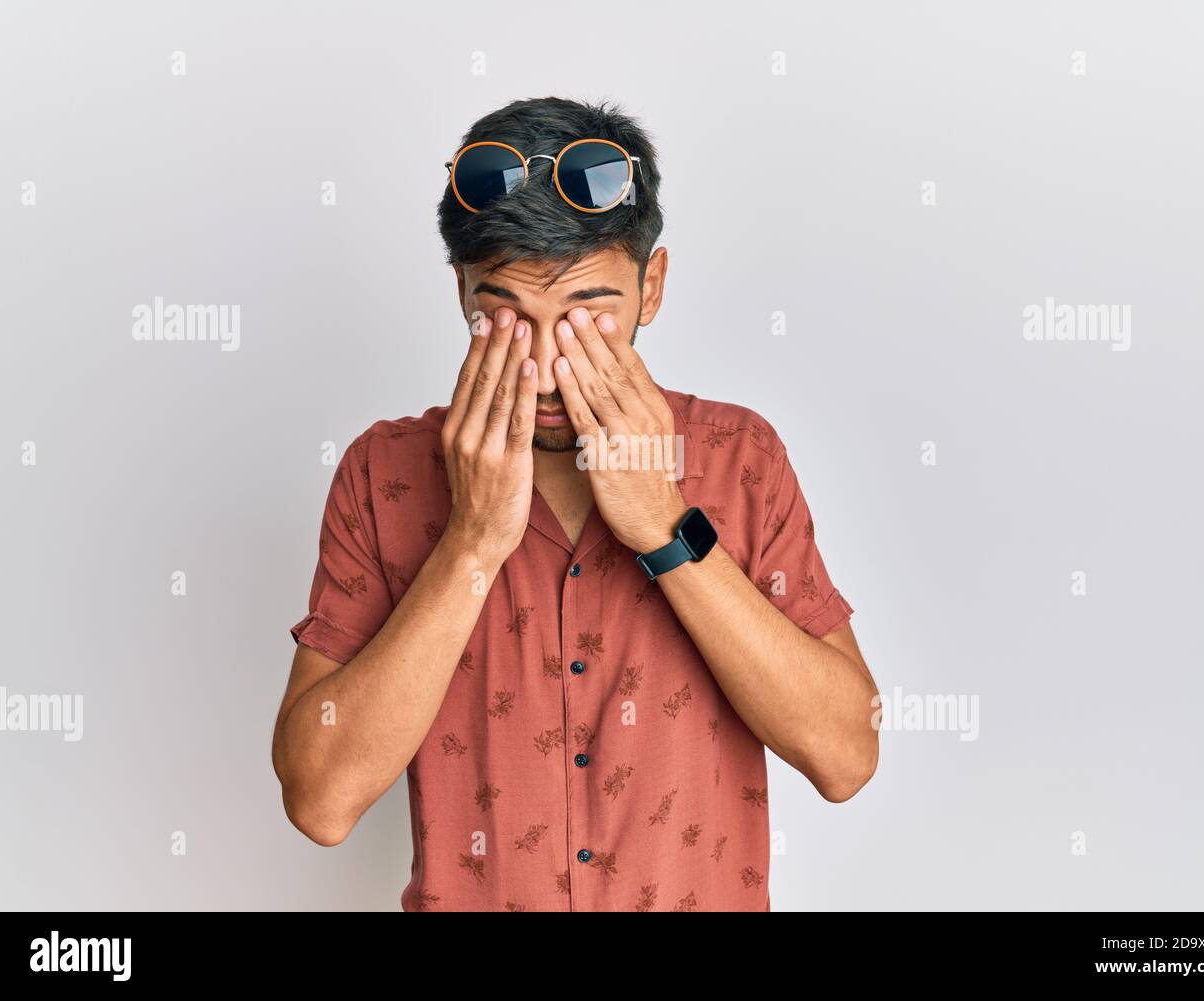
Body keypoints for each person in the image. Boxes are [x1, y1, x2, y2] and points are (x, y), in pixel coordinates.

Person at [272, 97, 879, 912]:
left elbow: (847, 756)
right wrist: (472, 544)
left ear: (651, 286)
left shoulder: (743, 460)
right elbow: (320, 802)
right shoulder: (383, 473)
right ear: (462, 292)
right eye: (507, 318)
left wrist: (667, 528)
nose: (552, 367)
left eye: (588, 314)